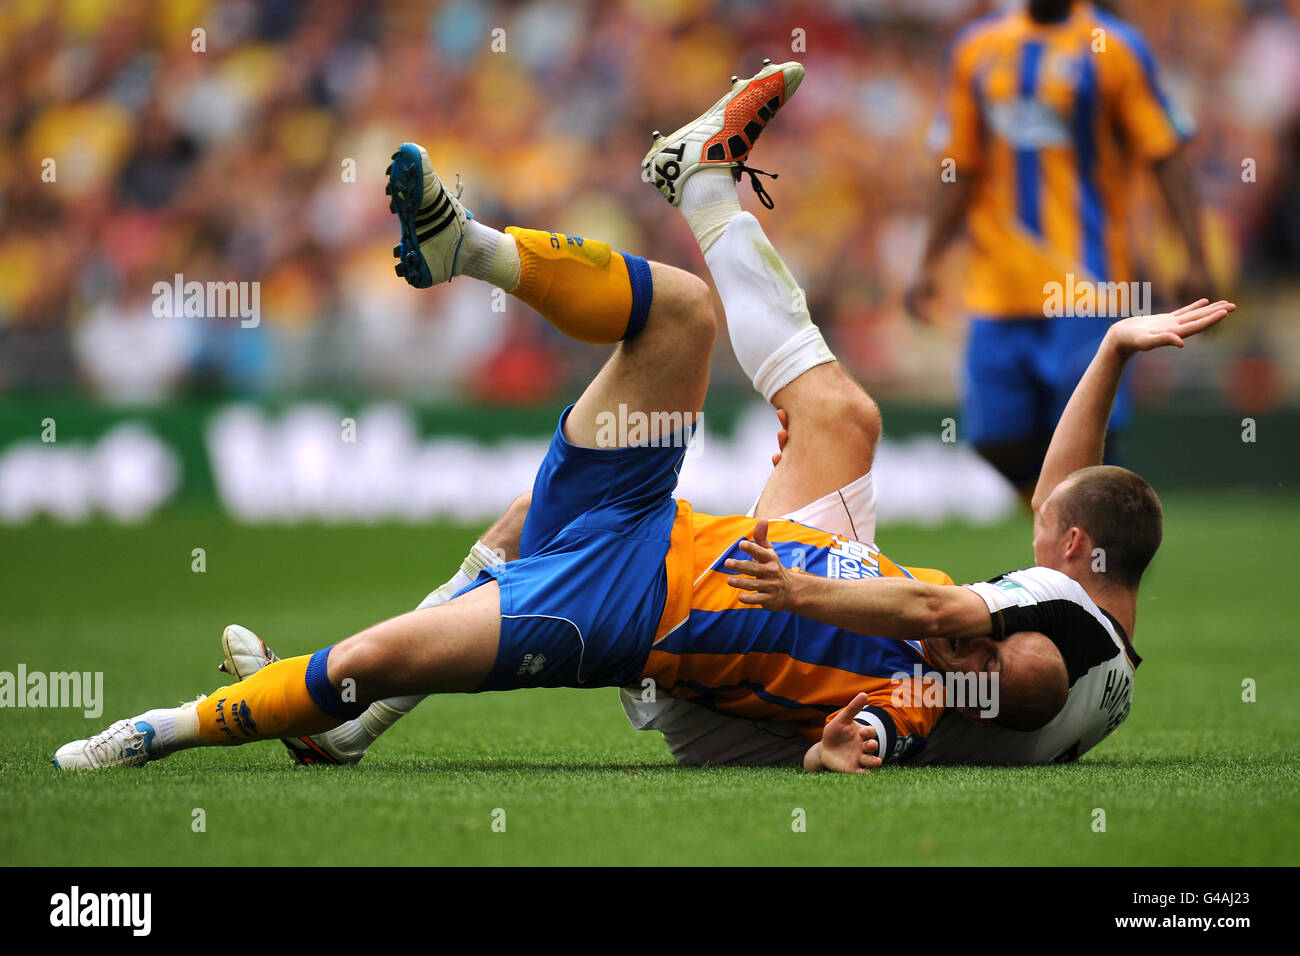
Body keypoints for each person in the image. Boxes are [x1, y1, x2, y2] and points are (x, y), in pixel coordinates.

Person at [53, 62, 1070, 776]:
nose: (976, 637)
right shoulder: (943, 604)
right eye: (995, 631)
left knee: (374, 656)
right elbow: (1006, 592)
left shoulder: (912, 697)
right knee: (694, 328)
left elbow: (848, 744)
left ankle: (165, 729)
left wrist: (850, 743)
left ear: (974, 694)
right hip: (658, 524)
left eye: (985, 661)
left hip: (629, 612)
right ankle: (480, 248)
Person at [907, 0, 1210, 500]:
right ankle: (1065, 531)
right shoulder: (976, 48)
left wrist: (1195, 256)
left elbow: (1166, 153)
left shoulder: (1115, 46)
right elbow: (958, 165)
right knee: (994, 438)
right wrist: (927, 261)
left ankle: (1100, 563)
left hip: (1088, 282)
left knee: (1094, 438)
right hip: (998, 284)